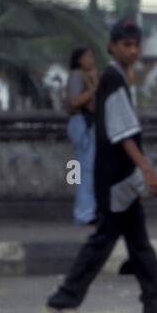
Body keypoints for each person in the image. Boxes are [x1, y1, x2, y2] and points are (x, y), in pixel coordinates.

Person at [46, 18, 157, 313]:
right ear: (112, 47)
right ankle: (65, 299)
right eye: (126, 45)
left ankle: (154, 302)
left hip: (120, 179)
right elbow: (123, 133)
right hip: (116, 179)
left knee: (137, 242)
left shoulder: (118, 79)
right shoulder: (113, 80)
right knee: (105, 240)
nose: (132, 51)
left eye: (136, 45)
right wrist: (148, 170)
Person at [65, 46, 98, 225]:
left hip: (88, 125)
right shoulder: (77, 75)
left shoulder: (87, 75)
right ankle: (83, 212)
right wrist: (93, 89)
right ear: (79, 60)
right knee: (82, 170)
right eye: (87, 57)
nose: (90, 60)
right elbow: (73, 102)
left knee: (88, 170)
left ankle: (88, 210)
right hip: (80, 124)